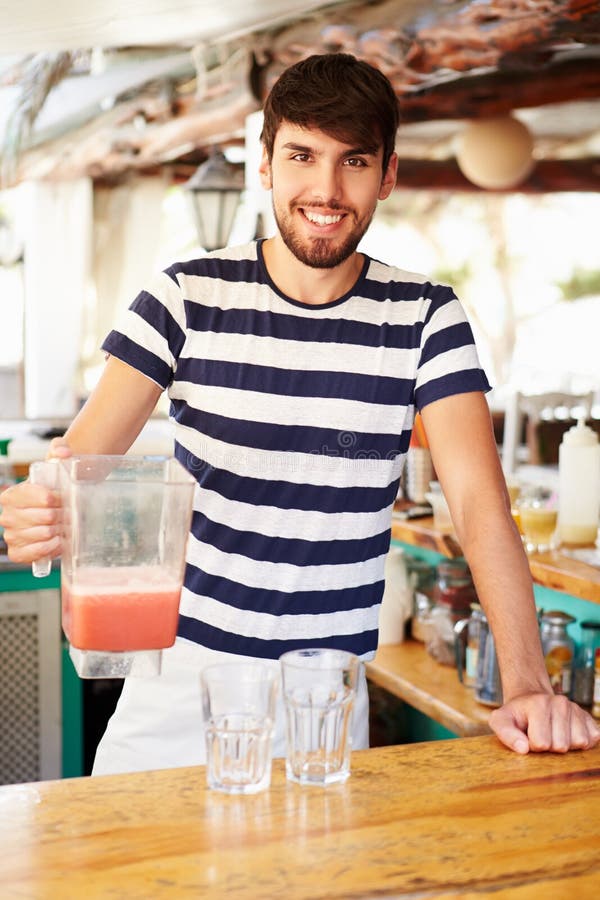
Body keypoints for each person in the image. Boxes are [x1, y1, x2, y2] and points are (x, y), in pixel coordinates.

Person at [1, 54, 598, 773]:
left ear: (388, 175)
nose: (325, 188)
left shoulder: (426, 318)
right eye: (301, 155)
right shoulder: (185, 296)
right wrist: (34, 509)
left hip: (324, 690)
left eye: (353, 161)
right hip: (182, 678)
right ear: (266, 165)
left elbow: (477, 504)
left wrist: (530, 686)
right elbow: (79, 469)